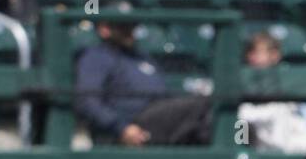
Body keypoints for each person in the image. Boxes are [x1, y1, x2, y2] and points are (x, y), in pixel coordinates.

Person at [74, 14, 212, 146]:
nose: (130, 31)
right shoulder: (96, 56)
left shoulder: (140, 56)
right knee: (200, 105)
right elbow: (87, 100)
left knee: (207, 108)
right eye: (123, 26)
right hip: (130, 126)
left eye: (132, 26)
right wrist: (121, 127)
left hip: (157, 120)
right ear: (104, 29)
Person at [238, 32, 306, 154]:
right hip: (259, 153)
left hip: (297, 149)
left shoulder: (287, 84)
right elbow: (242, 124)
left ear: (275, 55)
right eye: (251, 52)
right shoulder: (241, 82)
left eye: (258, 52)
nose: (252, 57)